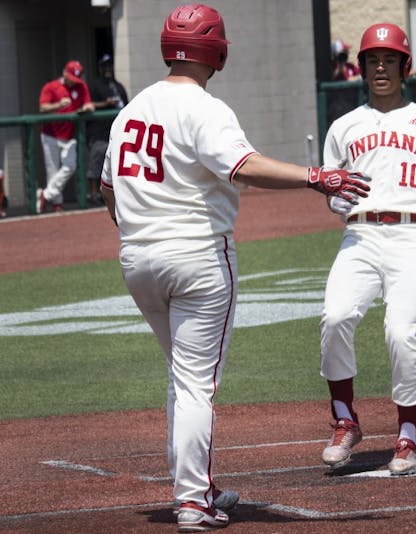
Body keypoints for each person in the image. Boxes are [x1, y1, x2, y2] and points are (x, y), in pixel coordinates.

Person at [99, 4, 370, 531]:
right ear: (216, 51)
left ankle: (195, 486)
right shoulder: (205, 108)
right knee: (197, 384)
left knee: (183, 379)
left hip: (137, 258)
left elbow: (109, 192)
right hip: (197, 255)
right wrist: (317, 176)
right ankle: (193, 503)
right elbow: (245, 167)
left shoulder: (130, 111)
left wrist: (140, 230)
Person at [318, 23, 416, 476]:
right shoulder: (344, 126)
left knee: (401, 333)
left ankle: (407, 435)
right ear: (361, 68)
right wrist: (333, 198)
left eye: (389, 60)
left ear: (405, 66)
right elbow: (331, 185)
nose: (380, 67)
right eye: (371, 60)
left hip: (409, 236)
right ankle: (345, 421)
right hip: (360, 236)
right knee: (335, 317)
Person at [36, 60, 95, 213]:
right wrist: (58, 105)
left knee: (71, 165)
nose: (73, 81)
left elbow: (89, 104)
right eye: (70, 77)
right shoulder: (51, 87)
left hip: (70, 135)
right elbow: (42, 107)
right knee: (52, 170)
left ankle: (46, 195)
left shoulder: (81, 86)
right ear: (64, 73)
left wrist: (87, 108)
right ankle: (57, 204)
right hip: (51, 134)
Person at [86, 53, 128, 205]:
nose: (108, 69)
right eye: (105, 66)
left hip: (116, 132)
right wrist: (105, 103)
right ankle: (93, 194)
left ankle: (113, 194)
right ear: (100, 68)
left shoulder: (118, 86)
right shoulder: (95, 85)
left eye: (109, 65)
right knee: (96, 163)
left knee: (114, 164)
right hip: (99, 131)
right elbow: (88, 104)